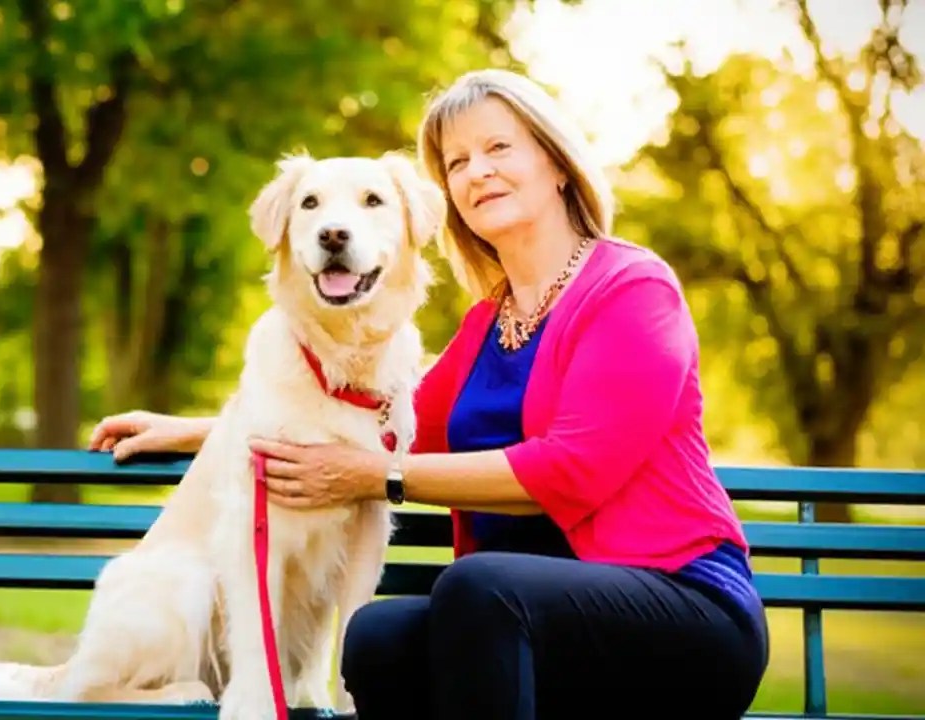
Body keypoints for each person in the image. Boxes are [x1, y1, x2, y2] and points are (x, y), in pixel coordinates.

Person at [88, 68, 770, 719]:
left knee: (477, 590)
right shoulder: (485, 327)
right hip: (532, 621)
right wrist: (191, 430)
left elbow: (573, 468)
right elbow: (367, 423)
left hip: (684, 612)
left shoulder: (631, 289)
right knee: (380, 641)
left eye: (499, 147)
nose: (477, 171)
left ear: (558, 164)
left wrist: (375, 478)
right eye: (458, 161)